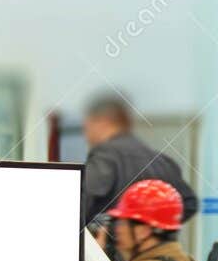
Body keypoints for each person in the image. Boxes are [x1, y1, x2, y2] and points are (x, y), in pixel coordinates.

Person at [82, 93, 197, 225]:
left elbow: (80, 204)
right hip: (156, 245)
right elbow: (188, 203)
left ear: (102, 122)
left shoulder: (105, 157)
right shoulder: (162, 161)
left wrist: (109, 229)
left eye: (86, 128)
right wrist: (154, 228)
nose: (86, 136)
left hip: (109, 245)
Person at [105, 179, 202, 261]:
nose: (117, 230)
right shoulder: (186, 260)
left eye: (122, 223)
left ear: (143, 231)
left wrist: (94, 259)